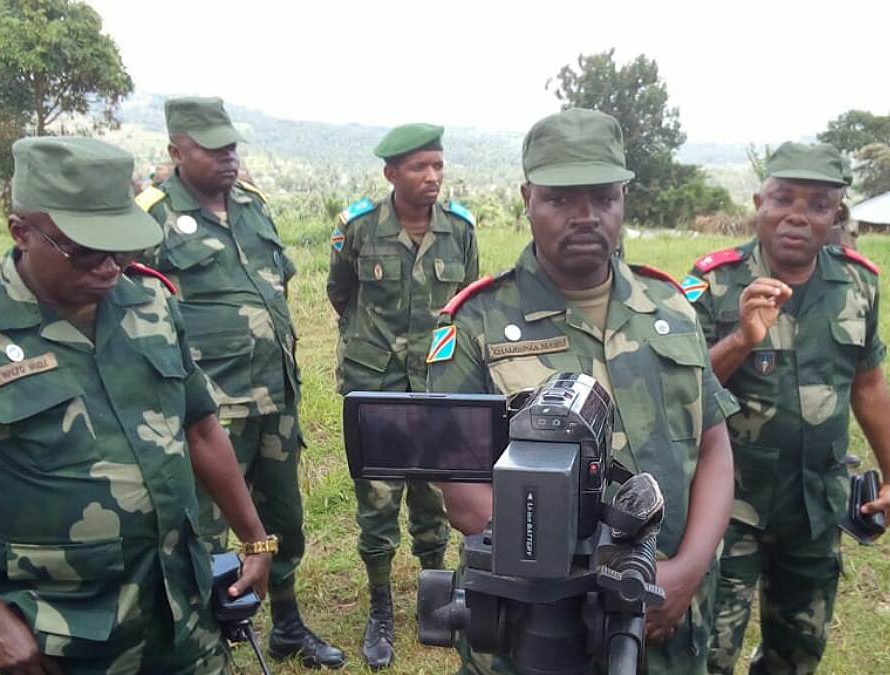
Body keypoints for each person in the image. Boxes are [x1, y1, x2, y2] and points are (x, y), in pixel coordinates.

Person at [0, 136, 274, 674]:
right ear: (22, 232)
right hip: (64, 636)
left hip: (184, 614)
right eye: (87, 250)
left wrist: (256, 537)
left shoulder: (152, 302)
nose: (111, 267)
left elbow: (199, 428)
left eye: (122, 248)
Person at [427, 107, 738, 674]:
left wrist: (688, 569)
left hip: (669, 614)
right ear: (527, 199)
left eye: (602, 197)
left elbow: (714, 444)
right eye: (561, 199)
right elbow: (466, 498)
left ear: (623, 197)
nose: (585, 216)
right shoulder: (476, 323)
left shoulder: (669, 307)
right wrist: (613, 584)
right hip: (540, 627)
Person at [684, 142, 890, 674]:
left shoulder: (858, 283)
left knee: (798, 652)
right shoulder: (711, 282)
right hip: (728, 502)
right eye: (783, 198)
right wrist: (741, 338)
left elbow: (868, 382)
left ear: (836, 216)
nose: (796, 216)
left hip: (815, 504)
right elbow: (682, 392)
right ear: (759, 201)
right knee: (709, 650)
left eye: (817, 205)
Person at [136, 96, 344, 669]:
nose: (228, 157)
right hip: (207, 412)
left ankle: (288, 626)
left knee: (282, 521)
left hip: (275, 400)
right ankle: (211, 637)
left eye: (232, 146)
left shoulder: (253, 206)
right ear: (177, 150)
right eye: (213, 148)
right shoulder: (149, 216)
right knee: (206, 533)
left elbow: (276, 286)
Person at [327, 122, 478, 668]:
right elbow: (340, 292)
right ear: (392, 173)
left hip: (437, 386)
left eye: (438, 165)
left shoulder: (459, 229)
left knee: (435, 500)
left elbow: (464, 304)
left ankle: (434, 601)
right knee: (378, 503)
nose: (432, 176)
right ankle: (380, 609)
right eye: (419, 167)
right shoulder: (359, 226)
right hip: (377, 385)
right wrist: (373, 348)